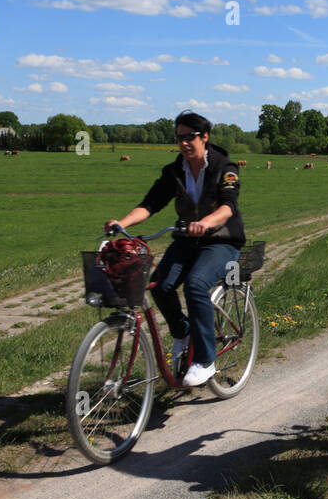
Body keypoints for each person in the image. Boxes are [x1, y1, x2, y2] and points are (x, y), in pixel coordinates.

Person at [105, 111, 245, 387]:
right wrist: (121, 223)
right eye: (179, 138)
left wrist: (204, 223)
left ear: (204, 137)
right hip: (186, 240)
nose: (183, 143)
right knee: (159, 286)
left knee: (195, 285)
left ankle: (205, 361)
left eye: (189, 137)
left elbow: (227, 208)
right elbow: (150, 204)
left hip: (222, 240)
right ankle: (182, 332)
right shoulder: (174, 171)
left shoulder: (225, 167)